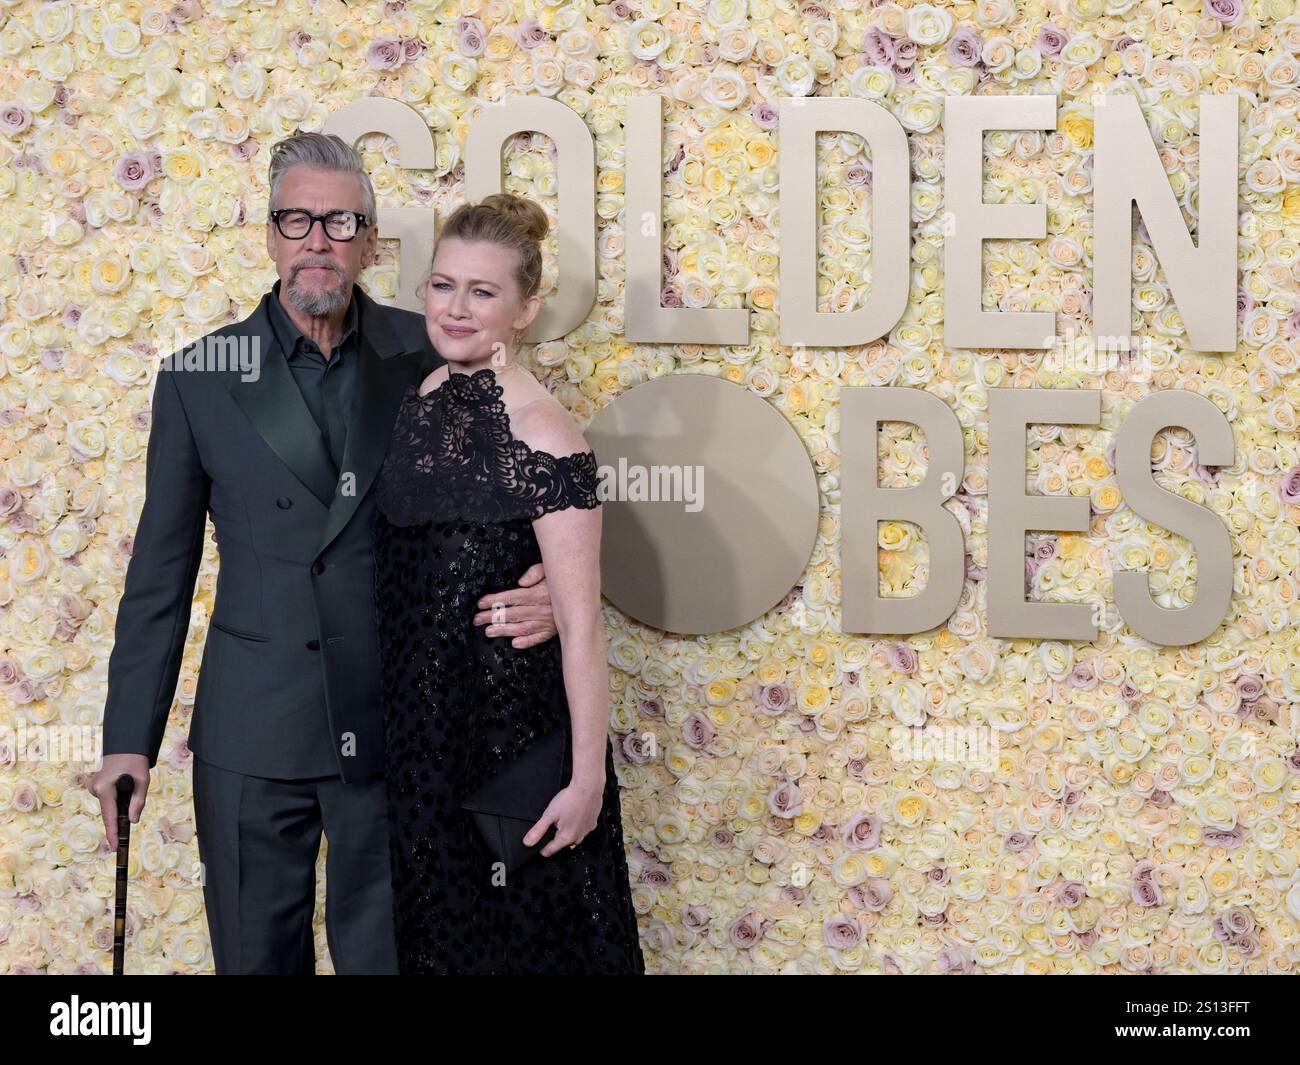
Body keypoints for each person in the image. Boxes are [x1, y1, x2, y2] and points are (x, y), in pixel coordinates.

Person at [89, 133, 559, 974]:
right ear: (269, 235)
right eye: (296, 219)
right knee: (254, 959)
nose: (318, 239)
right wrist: (129, 738)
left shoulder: (433, 348)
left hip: (397, 726)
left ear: (370, 239)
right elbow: (161, 572)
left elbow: (525, 500)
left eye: (340, 220)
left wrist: (554, 591)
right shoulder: (200, 375)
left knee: (392, 958)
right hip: (252, 730)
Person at [372, 193, 645, 974]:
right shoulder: (420, 401)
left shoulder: (544, 432)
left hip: (509, 754)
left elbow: (583, 621)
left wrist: (586, 779)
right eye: (443, 284)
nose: (456, 309)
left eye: (483, 292)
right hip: (425, 749)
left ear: (524, 309)